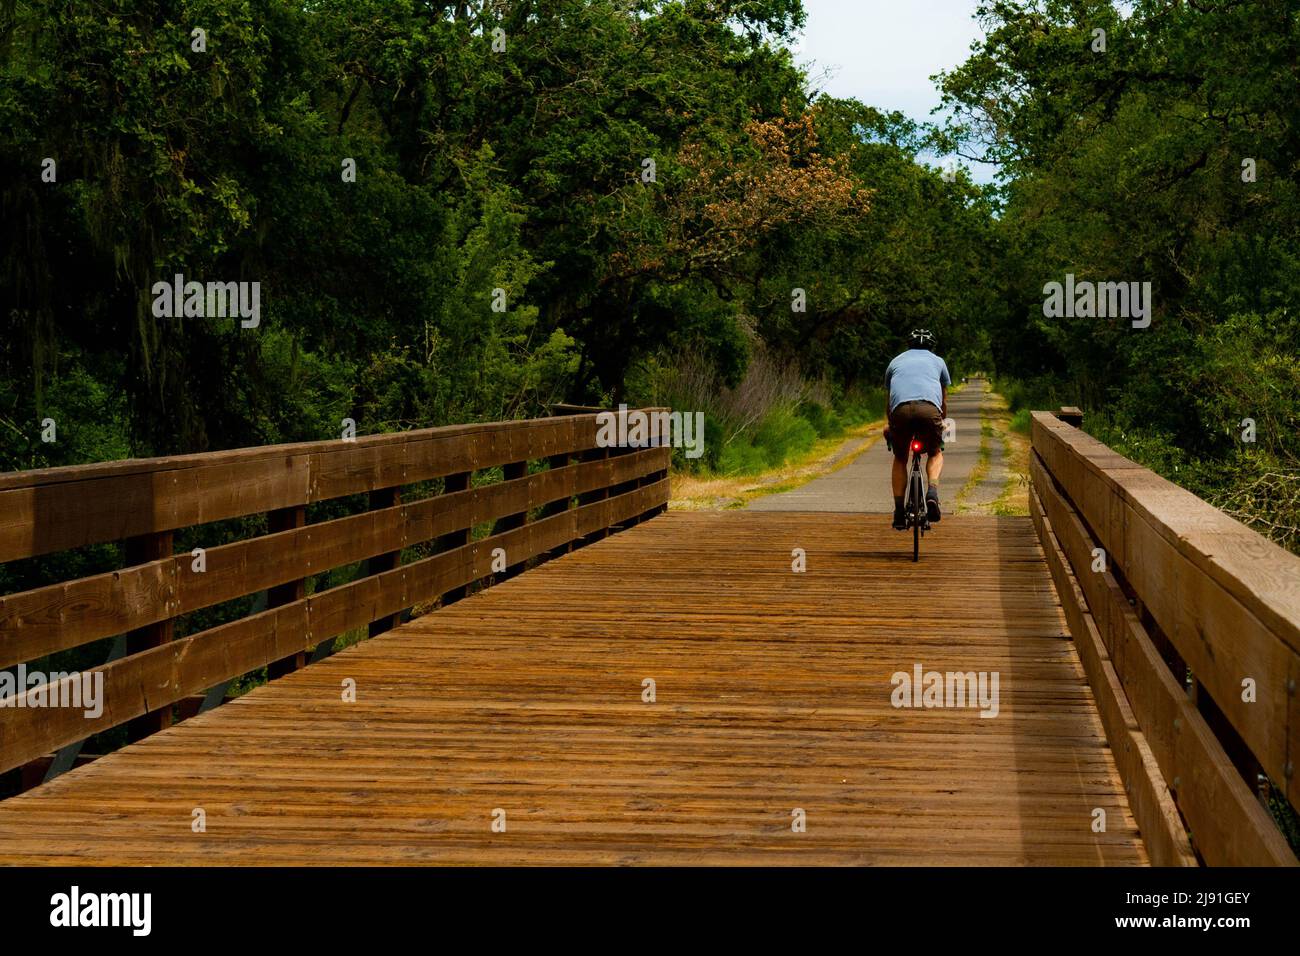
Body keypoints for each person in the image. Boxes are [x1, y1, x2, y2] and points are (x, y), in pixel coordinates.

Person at [884, 329, 950, 530]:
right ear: (931, 346)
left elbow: (890, 401)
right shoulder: (938, 362)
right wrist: (941, 420)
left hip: (900, 412)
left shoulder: (895, 362)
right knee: (935, 451)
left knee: (901, 458)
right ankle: (932, 491)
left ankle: (898, 512)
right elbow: (943, 399)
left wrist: (890, 424)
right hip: (929, 411)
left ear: (909, 344)